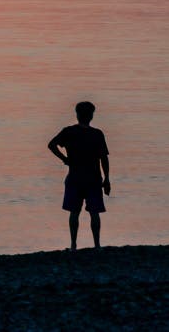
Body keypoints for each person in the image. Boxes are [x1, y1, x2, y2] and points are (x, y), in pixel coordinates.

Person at [48, 101, 111, 251]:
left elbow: (51, 145)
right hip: (93, 178)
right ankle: (97, 245)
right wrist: (107, 178)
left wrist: (65, 159)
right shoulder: (97, 134)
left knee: (74, 212)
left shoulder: (69, 132)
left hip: (75, 177)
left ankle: (73, 245)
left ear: (77, 115)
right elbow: (104, 158)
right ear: (91, 116)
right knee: (94, 213)